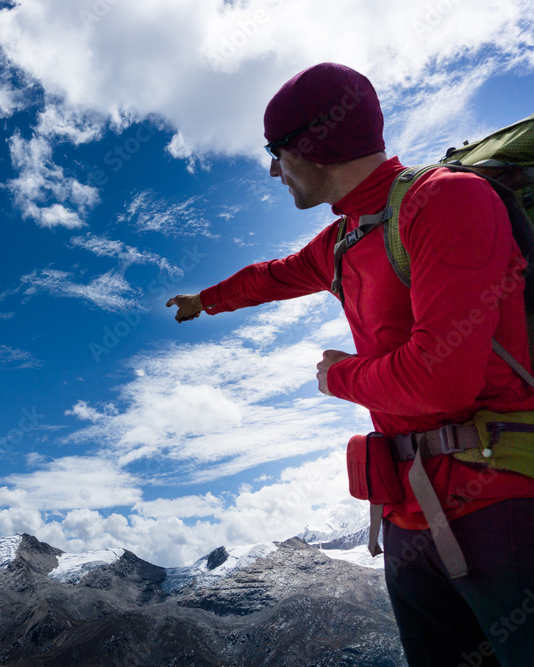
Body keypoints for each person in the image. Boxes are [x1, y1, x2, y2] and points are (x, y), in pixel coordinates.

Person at [166, 62, 534, 667]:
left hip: (500, 505)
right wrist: (207, 299)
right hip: (407, 518)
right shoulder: (345, 238)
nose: (272, 169)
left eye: (276, 151)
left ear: (312, 145)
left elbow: (440, 378)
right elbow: (272, 276)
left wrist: (337, 376)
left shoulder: (446, 201)